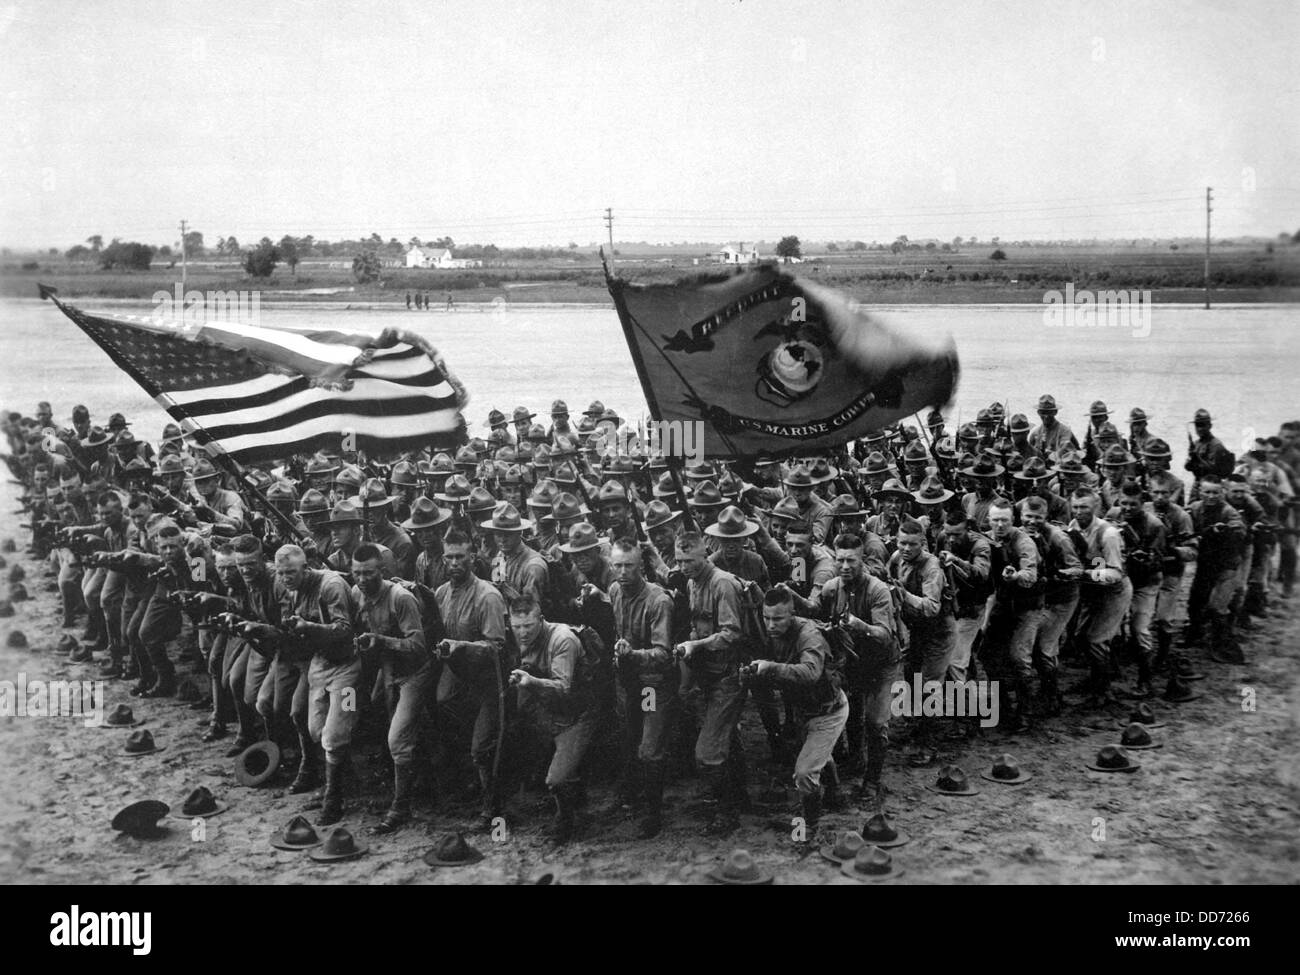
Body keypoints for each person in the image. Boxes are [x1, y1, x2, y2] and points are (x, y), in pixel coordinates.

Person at [741, 586, 847, 834]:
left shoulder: (809, 634)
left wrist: (770, 667)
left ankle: (810, 829)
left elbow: (810, 673)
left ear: (793, 614)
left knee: (804, 773)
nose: (770, 625)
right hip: (804, 710)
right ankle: (835, 793)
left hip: (828, 711)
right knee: (820, 755)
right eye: (766, 618)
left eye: (777, 619)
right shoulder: (772, 632)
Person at [808, 532, 899, 809]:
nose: (845, 566)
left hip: (882, 663)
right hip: (853, 662)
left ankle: (873, 781)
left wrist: (861, 626)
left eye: (852, 561)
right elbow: (817, 613)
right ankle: (856, 761)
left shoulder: (878, 590)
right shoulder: (832, 588)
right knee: (852, 715)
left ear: (863, 561)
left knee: (876, 722)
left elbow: (885, 634)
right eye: (840, 560)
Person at [673, 531, 749, 835]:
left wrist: (698, 645)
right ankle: (739, 796)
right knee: (726, 737)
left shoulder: (722, 583)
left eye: (689, 561)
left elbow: (733, 634)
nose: (682, 567)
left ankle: (726, 811)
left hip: (729, 675)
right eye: (679, 560)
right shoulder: (693, 582)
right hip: (709, 674)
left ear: (705, 555)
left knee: (707, 752)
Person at [508, 594, 600, 843]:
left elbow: (563, 687)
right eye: (516, 627)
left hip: (579, 714)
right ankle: (575, 796)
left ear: (541, 620)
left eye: (528, 626)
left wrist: (532, 682)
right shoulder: (521, 638)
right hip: (551, 711)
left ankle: (567, 821)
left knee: (556, 779)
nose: (522, 633)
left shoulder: (562, 640)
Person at [351, 544, 430, 834]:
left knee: (398, 739)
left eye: (369, 573)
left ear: (382, 572)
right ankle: (408, 780)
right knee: (371, 714)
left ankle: (401, 806)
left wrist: (382, 641)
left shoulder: (401, 599)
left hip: (414, 674)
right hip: (387, 671)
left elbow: (418, 646)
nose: (362, 579)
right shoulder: (356, 593)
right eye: (357, 573)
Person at [435, 529, 511, 829]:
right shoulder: (441, 594)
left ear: (473, 558)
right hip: (459, 681)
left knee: (482, 746)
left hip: (491, 683)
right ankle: (472, 788)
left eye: (460, 557)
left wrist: (462, 648)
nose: (455, 563)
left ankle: (494, 810)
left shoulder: (487, 596)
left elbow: (497, 648)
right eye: (449, 557)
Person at [608, 539, 678, 837]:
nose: (622, 572)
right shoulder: (614, 591)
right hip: (630, 680)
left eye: (629, 566)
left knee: (649, 748)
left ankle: (653, 812)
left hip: (653, 683)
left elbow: (663, 655)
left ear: (642, 567)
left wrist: (632, 655)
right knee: (630, 735)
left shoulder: (658, 601)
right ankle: (632, 795)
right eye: (618, 565)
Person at [1067, 487, 1131, 707]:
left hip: (1114, 591)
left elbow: (1116, 572)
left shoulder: (1108, 533)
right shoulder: (1073, 527)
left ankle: (1104, 690)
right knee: (1080, 637)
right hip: (1091, 590)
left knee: (1096, 640)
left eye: (1083, 507)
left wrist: (1085, 574)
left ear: (1095, 507)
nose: (1078, 511)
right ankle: (1096, 678)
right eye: (1074, 506)